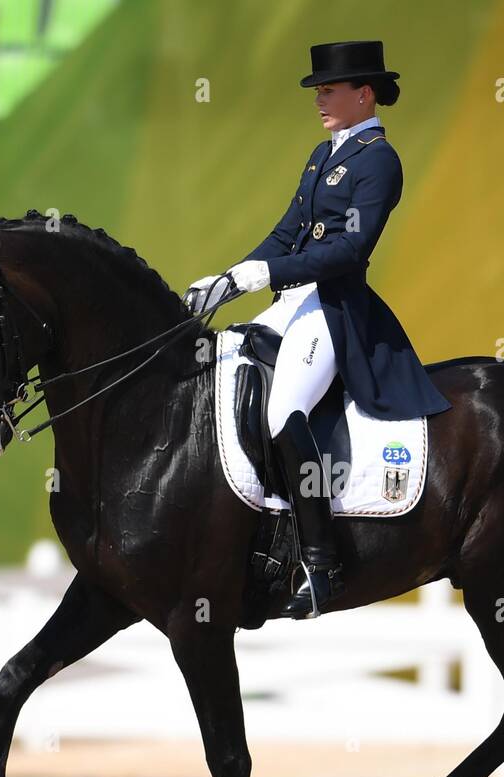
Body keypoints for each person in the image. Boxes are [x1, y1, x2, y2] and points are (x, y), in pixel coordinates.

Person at [186, 40, 450, 619]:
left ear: (364, 94)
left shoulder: (380, 161)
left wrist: (267, 273)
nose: (320, 100)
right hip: (293, 301)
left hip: (335, 307)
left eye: (328, 90)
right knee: (228, 372)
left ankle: (321, 562)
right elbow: (287, 233)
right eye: (318, 92)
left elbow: (350, 250)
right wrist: (233, 277)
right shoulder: (321, 154)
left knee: (285, 413)